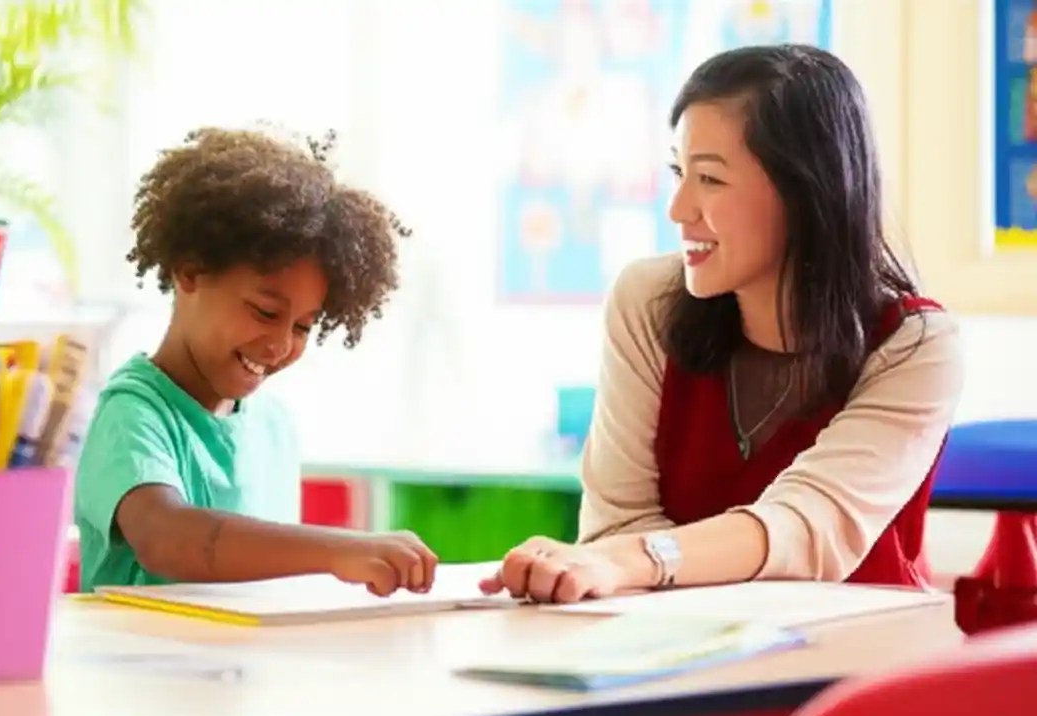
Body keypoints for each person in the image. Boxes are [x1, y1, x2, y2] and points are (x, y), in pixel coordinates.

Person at [481, 44, 965, 603]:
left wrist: (635, 561)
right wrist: (622, 565)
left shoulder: (917, 346)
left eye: (709, 179)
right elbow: (617, 524)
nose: (679, 208)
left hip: (854, 664)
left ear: (805, 190)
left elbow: (807, 531)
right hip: (678, 653)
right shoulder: (647, 303)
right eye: (678, 173)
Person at [75, 127, 437, 596]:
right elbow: (166, 538)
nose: (281, 344)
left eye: (304, 327)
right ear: (191, 270)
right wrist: (338, 550)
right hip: (145, 667)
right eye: (266, 312)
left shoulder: (272, 426)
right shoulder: (134, 414)